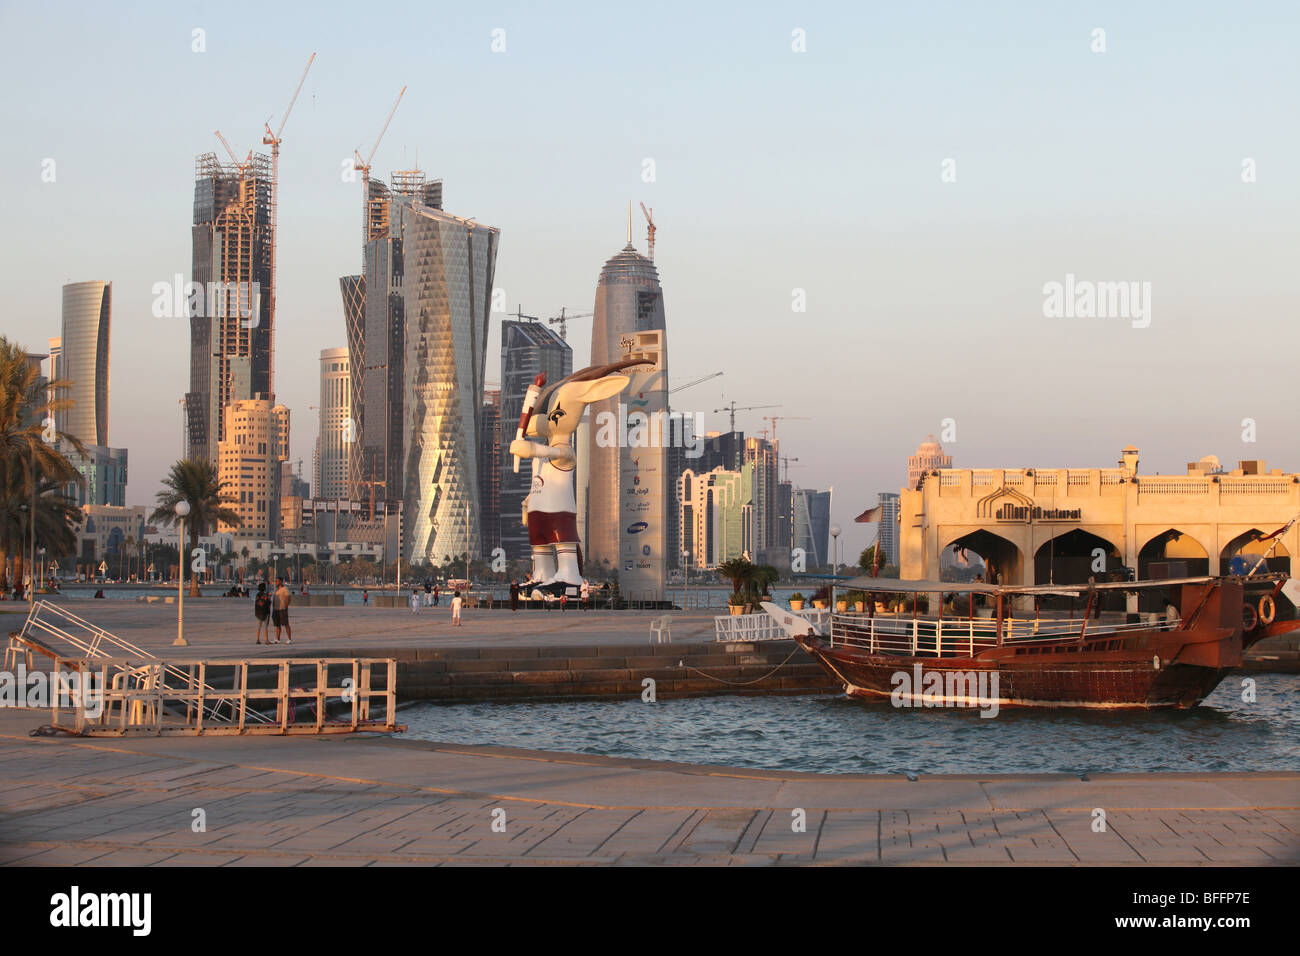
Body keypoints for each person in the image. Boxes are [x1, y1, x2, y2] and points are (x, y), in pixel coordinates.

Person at [272, 577, 293, 645]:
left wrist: (285, 607)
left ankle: (289, 639)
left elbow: (288, 599)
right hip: (276, 609)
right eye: (276, 581)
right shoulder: (276, 589)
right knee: (277, 625)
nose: (276, 582)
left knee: (286, 624)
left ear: (281, 581)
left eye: (277, 581)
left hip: (282, 610)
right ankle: (278, 639)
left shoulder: (285, 589)